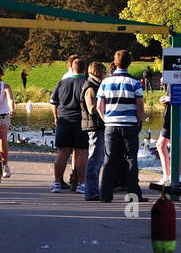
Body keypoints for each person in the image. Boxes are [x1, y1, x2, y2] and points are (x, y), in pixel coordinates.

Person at [97, 50, 145, 204]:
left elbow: (99, 106)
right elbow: (140, 107)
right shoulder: (134, 83)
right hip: (129, 124)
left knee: (109, 159)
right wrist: (138, 121)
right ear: (129, 63)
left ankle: (106, 195)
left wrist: (106, 120)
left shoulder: (105, 82)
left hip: (111, 125)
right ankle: (133, 195)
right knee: (131, 158)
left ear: (114, 62)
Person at [50, 57, 90, 193]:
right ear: (85, 70)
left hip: (63, 120)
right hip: (81, 122)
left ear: (72, 69)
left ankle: (56, 183)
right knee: (81, 153)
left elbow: (53, 103)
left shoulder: (61, 83)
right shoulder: (86, 83)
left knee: (62, 153)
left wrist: (56, 117)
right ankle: (82, 184)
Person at [81, 61, 108, 200]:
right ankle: (91, 192)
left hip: (96, 126)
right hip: (94, 126)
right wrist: (104, 104)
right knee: (94, 159)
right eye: (104, 72)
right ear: (99, 72)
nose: (105, 75)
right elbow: (91, 108)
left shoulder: (94, 85)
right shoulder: (91, 87)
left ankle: (94, 190)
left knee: (98, 159)